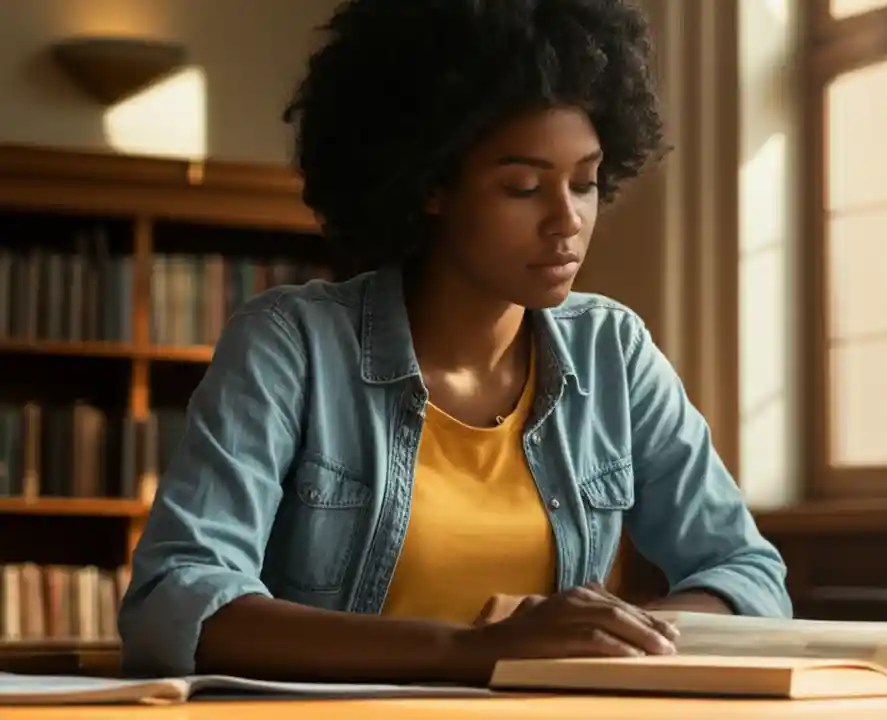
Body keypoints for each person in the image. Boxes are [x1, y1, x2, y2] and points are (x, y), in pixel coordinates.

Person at [118, 0, 791, 684]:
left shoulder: (612, 352)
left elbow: (747, 574)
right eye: (524, 187)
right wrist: (470, 651)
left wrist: (619, 640)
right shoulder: (292, 346)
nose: (567, 220)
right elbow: (174, 600)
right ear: (431, 184)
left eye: (585, 182)